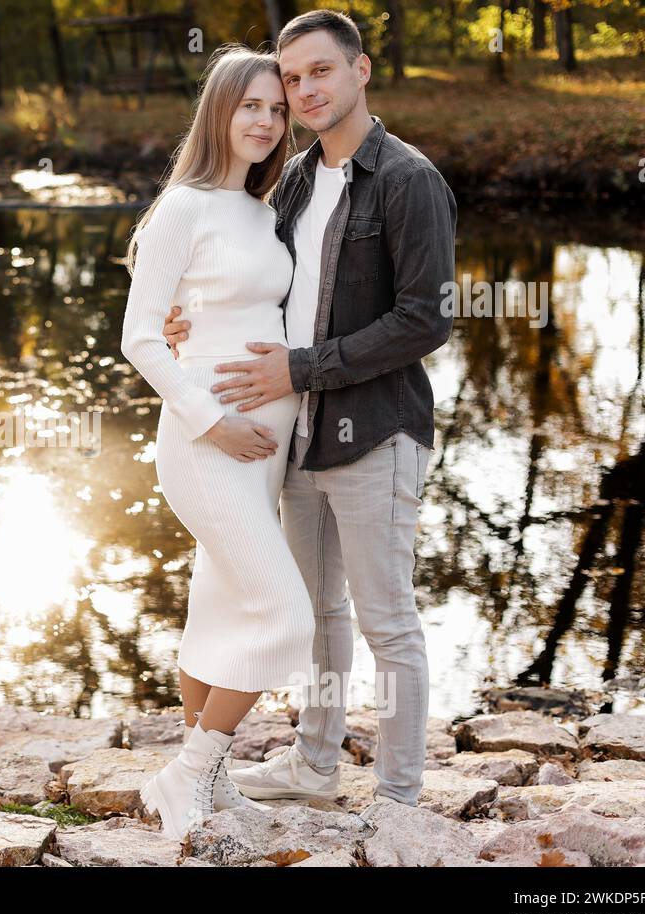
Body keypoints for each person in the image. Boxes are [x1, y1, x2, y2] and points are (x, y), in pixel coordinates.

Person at [162, 9, 457, 811]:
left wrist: (301, 368)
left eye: (319, 71)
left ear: (360, 71)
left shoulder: (407, 179)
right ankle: (314, 767)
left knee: (385, 622)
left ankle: (397, 798)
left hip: (376, 430)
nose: (303, 90)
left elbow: (425, 317)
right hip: (295, 438)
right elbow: (249, 278)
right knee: (319, 612)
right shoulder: (292, 180)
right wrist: (185, 319)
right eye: (291, 79)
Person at [120, 43, 316, 841]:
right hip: (208, 445)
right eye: (251, 106)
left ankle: (213, 779)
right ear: (219, 110)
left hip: (266, 446)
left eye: (277, 109)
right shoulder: (185, 205)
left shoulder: (265, 209)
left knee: (221, 609)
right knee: (285, 615)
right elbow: (141, 337)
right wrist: (212, 419)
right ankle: (189, 772)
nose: (267, 122)